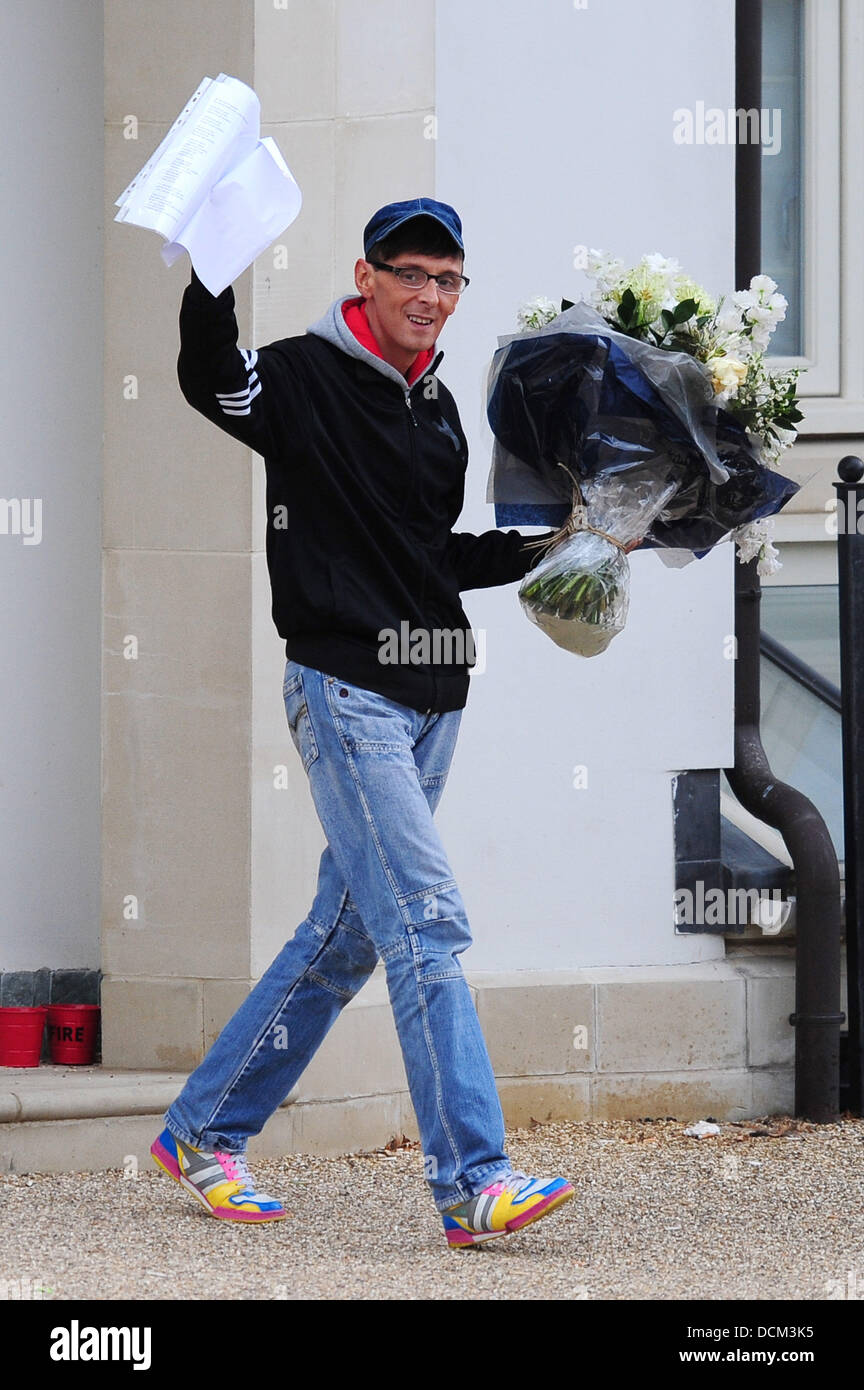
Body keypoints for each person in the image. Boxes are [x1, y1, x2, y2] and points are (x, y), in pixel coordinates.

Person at [150, 196, 575, 1248]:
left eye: (449, 280)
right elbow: (215, 380)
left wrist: (570, 544)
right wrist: (212, 276)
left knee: (343, 939)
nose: (432, 297)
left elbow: (434, 557)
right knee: (426, 924)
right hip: (347, 690)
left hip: (437, 697)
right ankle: (475, 1180)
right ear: (367, 276)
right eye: (414, 275)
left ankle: (203, 1129)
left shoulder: (439, 411)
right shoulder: (298, 377)